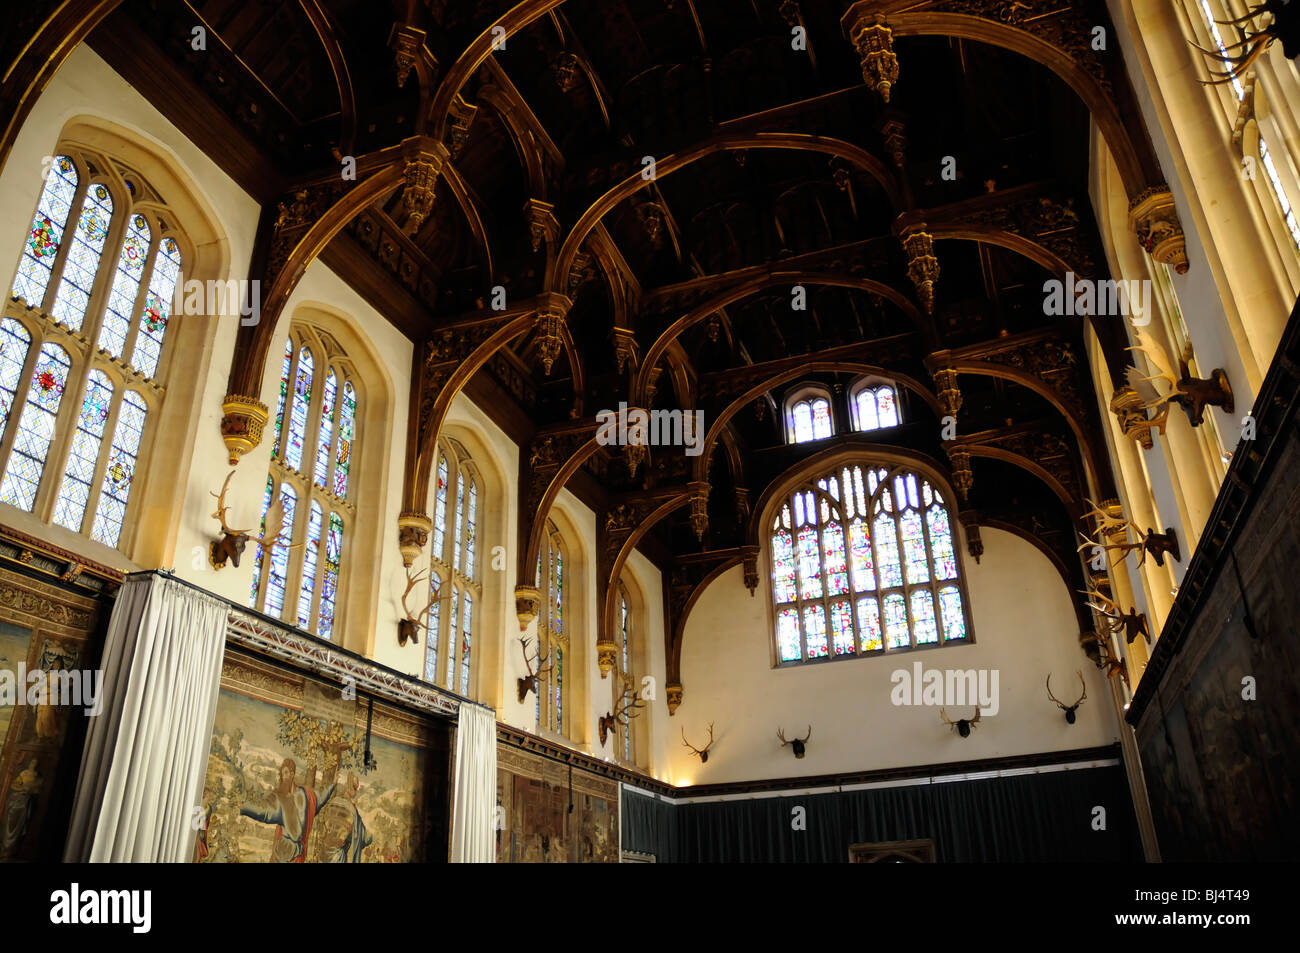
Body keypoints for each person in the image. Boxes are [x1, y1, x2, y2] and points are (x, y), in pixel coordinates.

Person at [240, 758, 335, 862]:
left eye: (286, 773)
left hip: (298, 854)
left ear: (292, 774)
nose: (284, 776)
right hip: (283, 852)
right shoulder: (280, 797)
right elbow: (264, 811)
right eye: (282, 773)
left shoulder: (305, 795)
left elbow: (319, 798)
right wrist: (244, 807)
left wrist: (332, 785)